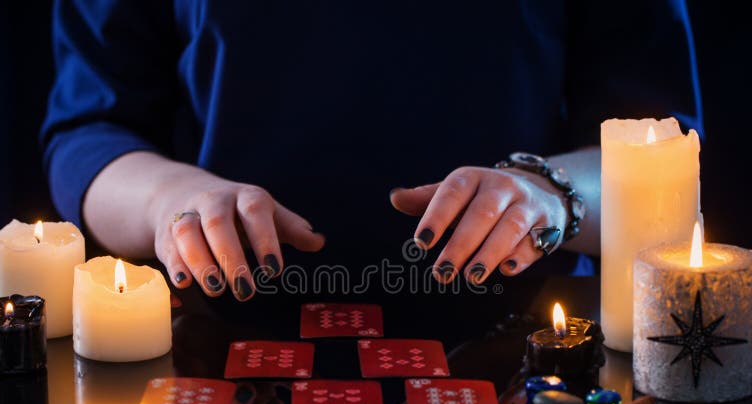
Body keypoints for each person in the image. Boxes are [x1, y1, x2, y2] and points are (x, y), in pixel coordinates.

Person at [42, 1, 702, 301]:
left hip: (519, 361)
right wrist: (169, 199)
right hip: (225, 362)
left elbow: (662, 149)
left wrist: (550, 193)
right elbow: (92, 130)